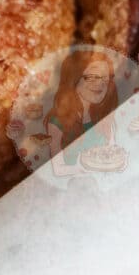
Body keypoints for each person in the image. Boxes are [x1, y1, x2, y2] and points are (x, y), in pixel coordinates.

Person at [45, 47, 127, 181]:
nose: (100, 84)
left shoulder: (106, 117)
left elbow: (113, 153)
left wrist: (121, 164)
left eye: (105, 78)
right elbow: (58, 169)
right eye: (91, 77)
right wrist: (85, 167)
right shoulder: (56, 122)